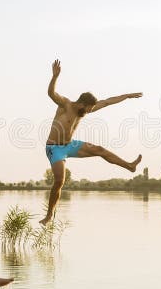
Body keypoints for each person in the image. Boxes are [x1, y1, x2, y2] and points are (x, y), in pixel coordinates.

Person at [41, 59, 143, 225]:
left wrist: (126, 96)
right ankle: (49, 215)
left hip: (70, 145)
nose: (89, 112)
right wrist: (54, 77)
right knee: (60, 180)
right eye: (88, 108)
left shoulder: (85, 110)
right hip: (54, 148)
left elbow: (107, 102)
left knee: (100, 150)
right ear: (82, 103)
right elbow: (51, 93)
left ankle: (130, 166)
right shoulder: (65, 105)